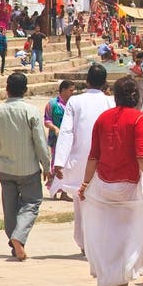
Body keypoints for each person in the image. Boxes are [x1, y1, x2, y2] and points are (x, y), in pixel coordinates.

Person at [78, 76, 143, 286]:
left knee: (108, 235)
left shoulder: (103, 118)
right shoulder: (139, 119)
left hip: (103, 185)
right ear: (137, 96)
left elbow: (94, 155)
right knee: (127, 236)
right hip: (129, 186)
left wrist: (85, 184)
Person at [50, 63, 114, 252]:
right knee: (101, 203)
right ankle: (98, 242)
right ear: (104, 83)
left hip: (80, 160)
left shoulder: (75, 102)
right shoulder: (111, 102)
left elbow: (67, 131)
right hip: (105, 160)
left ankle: (84, 243)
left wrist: (59, 161)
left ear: (86, 81)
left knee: (81, 202)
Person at [0, 72, 50, 260]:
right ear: (26, 90)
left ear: (7, 89)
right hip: (28, 168)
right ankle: (18, 239)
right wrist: (47, 166)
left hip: (4, 168)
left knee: (9, 205)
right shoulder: (31, 111)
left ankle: (14, 241)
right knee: (32, 202)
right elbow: (40, 142)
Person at [43, 80, 76, 198]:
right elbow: (47, 121)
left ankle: (64, 191)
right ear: (63, 90)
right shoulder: (52, 104)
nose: (72, 93)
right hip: (56, 139)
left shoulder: (73, 104)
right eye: (70, 90)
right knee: (56, 163)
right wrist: (55, 128)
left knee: (67, 164)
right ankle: (54, 189)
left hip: (69, 138)